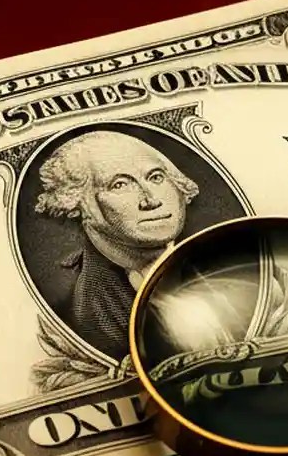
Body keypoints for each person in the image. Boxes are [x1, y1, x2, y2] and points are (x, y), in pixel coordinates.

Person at [35, 131, 199, 361]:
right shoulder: (85, 312)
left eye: (156, 177)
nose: (151, 200)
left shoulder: (214, 260)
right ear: (78, 204)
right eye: (120, 184)